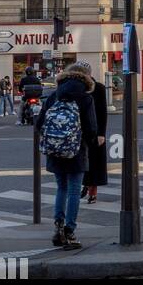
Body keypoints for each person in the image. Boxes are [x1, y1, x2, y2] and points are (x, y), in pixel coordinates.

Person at [35, 62, 98, 250]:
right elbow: (91, 128)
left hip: (55, 151)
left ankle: (58, 228)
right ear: (86, 77)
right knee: (73, 191)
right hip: (76, 151)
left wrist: (53, 139)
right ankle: (70, 231)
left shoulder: (54, 95)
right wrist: (90, 143)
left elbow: (39, 124)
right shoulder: (86, 98)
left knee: (61, 188)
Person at [75, 62, 108, 205]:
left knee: (94, 162)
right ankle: (84, 185)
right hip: (78, 130)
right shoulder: (76, 88)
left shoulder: (98, 88)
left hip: (94, 131)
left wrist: (101, 133)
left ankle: (92, 191)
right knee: (80, 161)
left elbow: (102, 112)